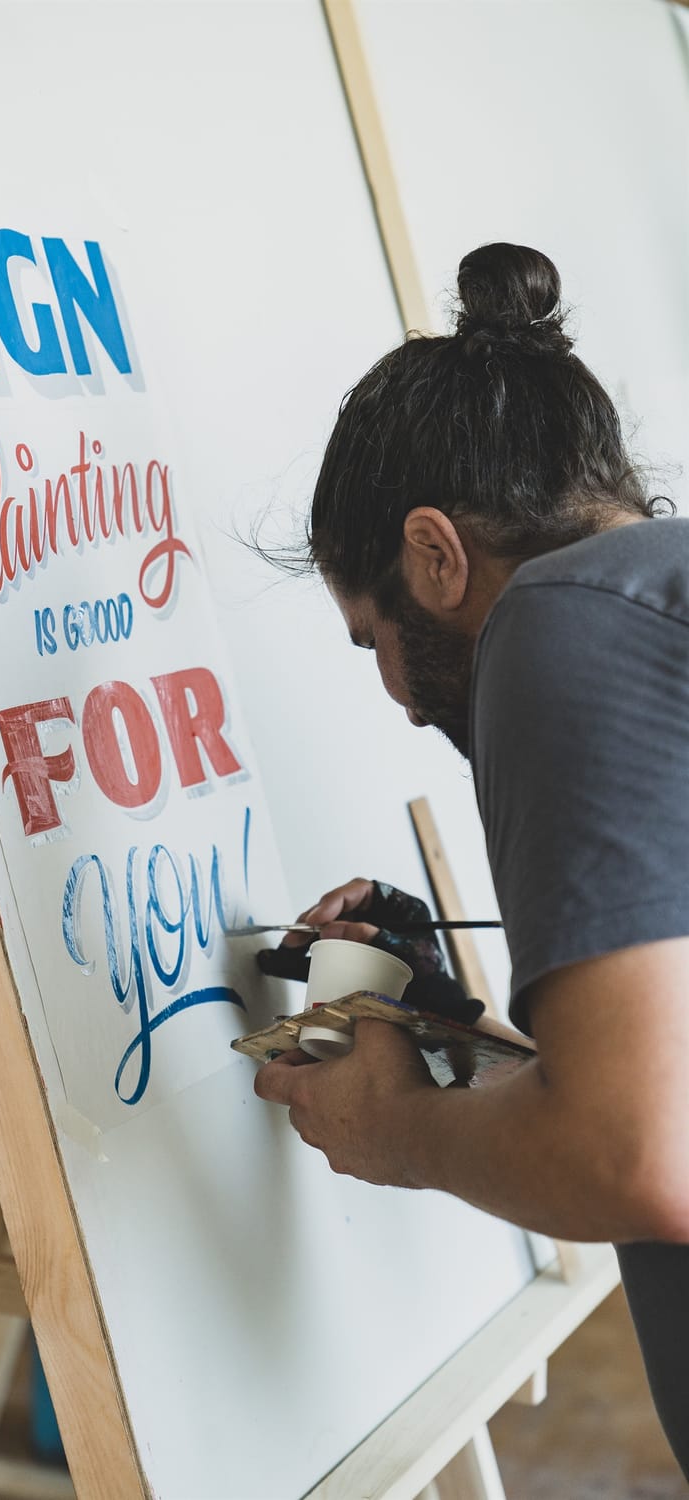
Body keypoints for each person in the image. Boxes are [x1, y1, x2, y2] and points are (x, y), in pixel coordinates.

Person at [253, 242, 689, 1475]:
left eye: (369, 638)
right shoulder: (661, 600)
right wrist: (456, 1032)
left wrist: (392, 1131)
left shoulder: (563, 623)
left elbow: (639, 1157)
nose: (394, 697)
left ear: (435, 557)